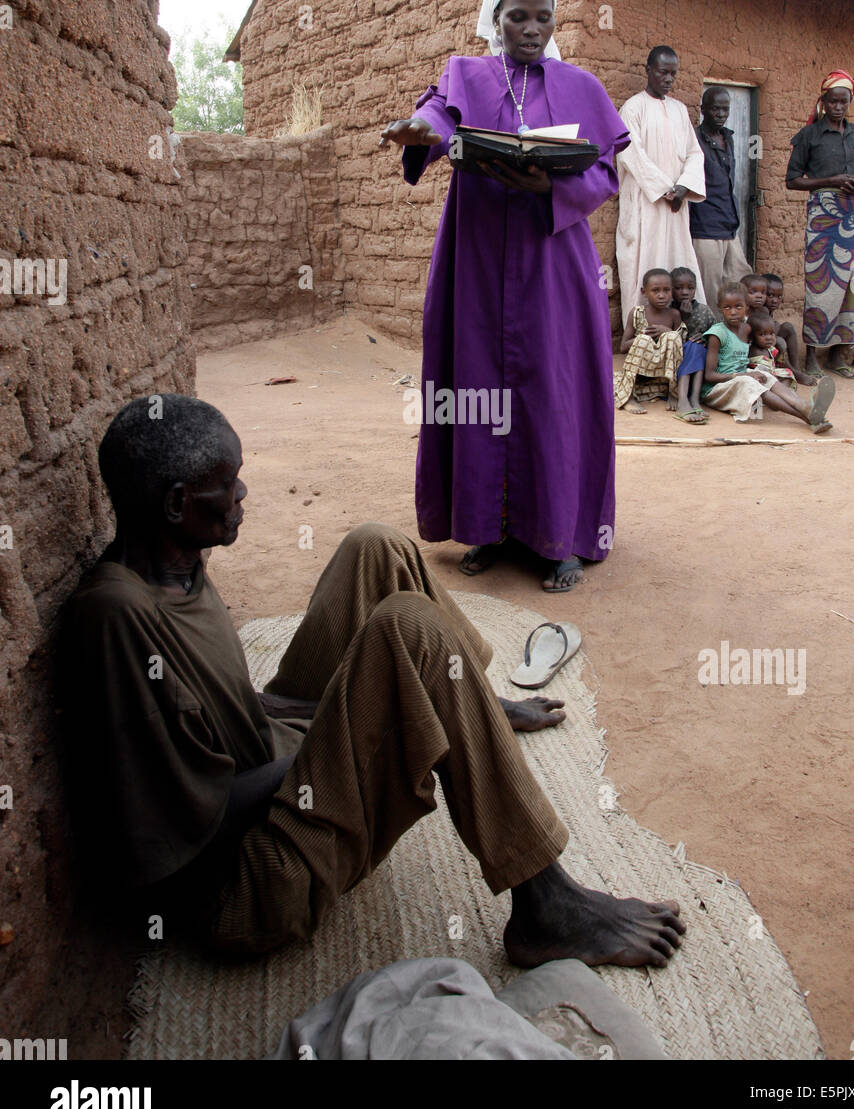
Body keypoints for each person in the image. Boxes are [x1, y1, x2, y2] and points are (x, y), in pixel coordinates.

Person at [61, 395, 685, 967]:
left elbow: (211, 714)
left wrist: (318, 717)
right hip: (252, 877)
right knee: (405, 629)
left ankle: (463, 700)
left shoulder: (173, 556)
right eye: (225, 485)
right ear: (174, 505)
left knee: (376, 547)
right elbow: (190, 825)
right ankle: (545, 904)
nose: (243, 492)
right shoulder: (119, 616)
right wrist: (339, 735)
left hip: (266, 745)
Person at [380, 0, 630, 593]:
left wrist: (549, 181)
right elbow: (438, 117)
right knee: (478, 385)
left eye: (543, 17)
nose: (531, 28)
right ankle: (487, 527)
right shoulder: (466, 72)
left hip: (553, 261)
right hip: (480, 258)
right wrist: (420, 132)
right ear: (495, 18)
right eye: (518, 16)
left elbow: (603, 173)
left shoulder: (579, 85)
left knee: (555, 389)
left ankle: (561, 537)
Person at [786, 70, 854, 379]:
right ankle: (811, 354)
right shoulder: (809, 136)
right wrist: (832, 181)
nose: (838, 106)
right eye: (832, 101)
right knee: (821, 285)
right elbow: (792, 180)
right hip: (823, 219)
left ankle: (839, 356)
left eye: (843, 101)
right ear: (823, 101)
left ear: (850, 101)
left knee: (852, 287)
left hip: (853, 216)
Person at [616, 46, 706, 322]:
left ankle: (684, 327)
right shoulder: (633, 108)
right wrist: (666, 189)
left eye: (673, 74)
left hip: (677, 204)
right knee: (643, 260)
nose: (668, 79)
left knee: (679, 258)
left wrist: (682, 188)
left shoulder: (679, 110)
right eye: (663, 72)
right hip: (647, 201)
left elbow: (694, 152)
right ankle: (641, 328)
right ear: (649, 71)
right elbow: (632, 154)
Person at [702, 284, 836, 431]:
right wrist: (744, 374)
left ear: (747, 307)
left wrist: (752, 372)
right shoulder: (717, 334)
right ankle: (807, 415)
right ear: (719, 308)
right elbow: (710, 375)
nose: (733, 312)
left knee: (766, 375)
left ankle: (804, 406)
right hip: (716, 390)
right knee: (749, 381)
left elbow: (765, 335)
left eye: (738, 307)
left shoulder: (747, 328)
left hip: (739, 381)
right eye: (727, 307)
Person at [689, 87, 752, 308]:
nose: (721, 114)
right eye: (715, 108)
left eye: (725, 109)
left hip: (730, 226)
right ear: (703, 109)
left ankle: (735, 340)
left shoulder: (728, 138)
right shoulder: (695, 140)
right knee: (711, 292)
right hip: (705, 227)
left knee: (740, 285)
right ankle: (714, 341)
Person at [614, 268, 702, 421]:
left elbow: (680, 346)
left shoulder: (674, 315)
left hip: (662, 375)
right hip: (640, 373)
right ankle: (629, 397)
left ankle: (673, 393)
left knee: (672, 336)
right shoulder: (636, 313)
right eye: (655, 290)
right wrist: (643, 338)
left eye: (666, 290)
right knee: (643, 340)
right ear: (644, 292)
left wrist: (666, 331)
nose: (662, 295)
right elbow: (622, 347)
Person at [670, 266, 715, 420]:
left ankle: (694, 399)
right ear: (671, 289)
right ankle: (683, 399)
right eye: (678, 288)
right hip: (674, 362)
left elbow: (716, 335)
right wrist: (684, 318)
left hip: (699, 367)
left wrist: (706, 338)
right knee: (691, 345)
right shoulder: (666, 310)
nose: (685, 292)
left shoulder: (704, 310)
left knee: (696, 345)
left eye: (690, 288)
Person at [762, 273, 814, 384]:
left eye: (779, 297)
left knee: (788, 327)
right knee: (779, 343)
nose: (775, 300)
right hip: (760, 347)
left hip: (769, 339)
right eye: (770, 295)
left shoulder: (769, 310)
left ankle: (796, 369)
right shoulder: (761, 311)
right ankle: (794, 372)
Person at [746, 310, 797, 388]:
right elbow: (763, 373)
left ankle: (782, 391)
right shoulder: (755, 352)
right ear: (752, 336)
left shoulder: (769, 349)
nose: (769, 338)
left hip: (771, 375)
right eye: (762, 334)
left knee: (788, 374)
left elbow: (778, 360)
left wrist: (779, 353)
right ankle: (781, 393)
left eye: (771, 333)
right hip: (761, 379)